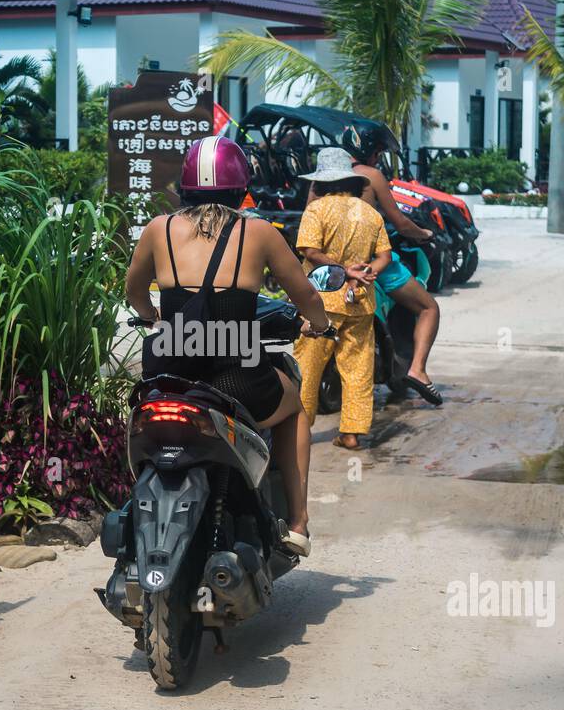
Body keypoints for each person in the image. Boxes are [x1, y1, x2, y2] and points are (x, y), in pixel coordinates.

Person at [124, 135, 332, 557]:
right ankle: (297, 522)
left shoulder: (158, 229)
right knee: (294, 409)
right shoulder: (259, 232)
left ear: (184, 189)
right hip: (236, 376)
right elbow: (305, 294)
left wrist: (153, 319)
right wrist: (321, 324)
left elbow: (134, 290)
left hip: (171, 373)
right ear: (241, 189)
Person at [293, 148, 394, 451]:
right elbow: (384, 257)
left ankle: (298, 430)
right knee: (358, 368)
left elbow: (309, 251)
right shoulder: (370, 213)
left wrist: (343, 270)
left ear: (320, 183)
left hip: (320, 301)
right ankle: (351, 433)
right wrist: (362, 273)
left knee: (307, 368)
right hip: (360, 301)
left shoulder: (317, 210)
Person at [342, 124, 444, 406]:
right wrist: (425, 233)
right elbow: (399, 222)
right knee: (429, 308)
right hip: (372, 261)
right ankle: (418, 370)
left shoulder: (321, 180)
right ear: (368, 151)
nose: (377, 159)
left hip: (331, 263)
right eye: (377, 152)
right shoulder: (372, 176)